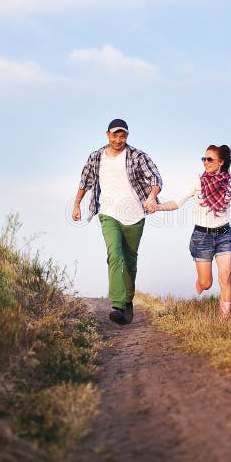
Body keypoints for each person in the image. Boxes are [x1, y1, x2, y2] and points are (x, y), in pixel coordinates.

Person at [148, 145, 231, 319]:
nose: (205, 162)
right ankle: (201, 282)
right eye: (204, 159)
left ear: (221, 162)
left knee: (225, 278)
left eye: (210, 159)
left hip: (225, 235)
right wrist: (157, 207)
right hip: (201, 237)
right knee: (206, 283)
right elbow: (176, 203)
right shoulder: (197, 183)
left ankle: (224, 320)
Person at [72, 118, 162, 325]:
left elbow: (156, 179)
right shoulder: (96, 157)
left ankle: (128, 300)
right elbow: (85, 181)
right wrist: (77, 204)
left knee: (130, 261)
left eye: (122, 136)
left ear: (127, 137)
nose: (118, 140)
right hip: (108, 213)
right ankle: (118, 305)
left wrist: (151, 197)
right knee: (114, 255)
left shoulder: (138, 156)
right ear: (107, 135)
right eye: (115, 135)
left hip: (135, 215)